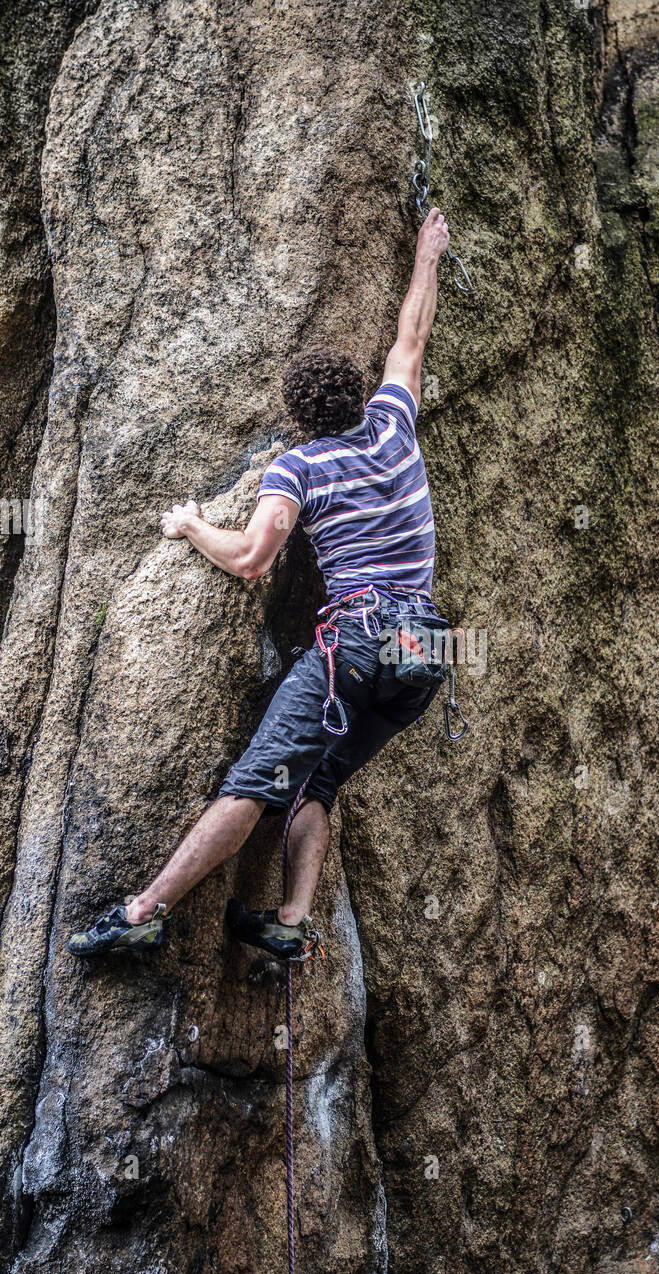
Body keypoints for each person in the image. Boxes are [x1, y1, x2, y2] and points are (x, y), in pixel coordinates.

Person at [67, 207, 453, 960]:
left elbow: (251, 558)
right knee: (317, 783)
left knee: (255, 781)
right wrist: (427, 254)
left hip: (360, 645)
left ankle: (147, 909)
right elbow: (411, 338)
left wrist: (189, 526)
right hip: (424, 653)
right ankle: (289, 920)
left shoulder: (298, 468)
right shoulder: (394, 422)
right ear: (357, 395)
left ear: (298, 417)